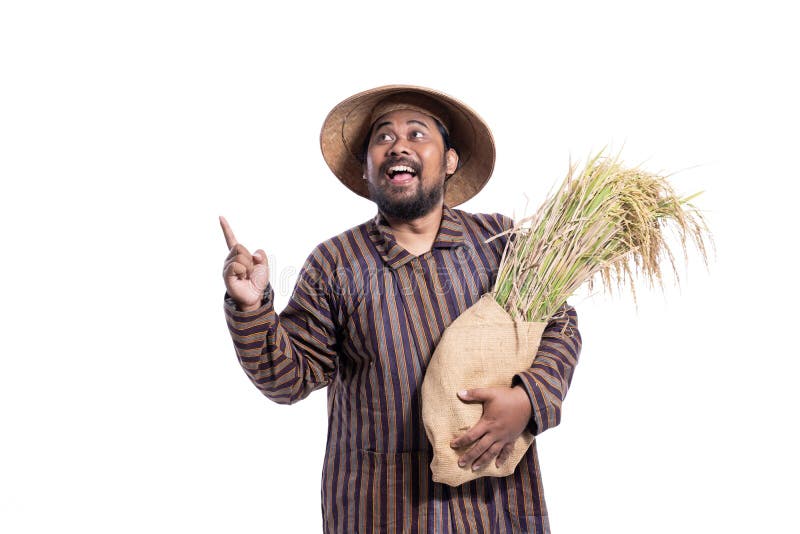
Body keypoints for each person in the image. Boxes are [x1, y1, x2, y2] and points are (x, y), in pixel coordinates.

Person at [220, 85, 581, 533]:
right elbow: (287, 379)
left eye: (417, 133)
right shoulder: (334, 263)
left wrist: (528, 399)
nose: (399, 146)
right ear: (368, 169)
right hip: (385, 510)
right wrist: (251, 307)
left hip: (498, 507)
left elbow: (559, 323)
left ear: (449, 160)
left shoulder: (499, 242)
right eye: (384, 137)